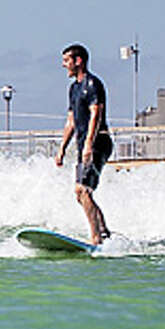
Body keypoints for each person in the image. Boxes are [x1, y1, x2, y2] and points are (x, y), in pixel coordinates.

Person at [54, 43, 113, 244]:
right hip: (84, 145)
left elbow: (96, 114)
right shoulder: (74, 88)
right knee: (80, 195)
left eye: (66, 61)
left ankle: (96, 238)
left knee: (83, 190)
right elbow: (71, 120)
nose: (64, 65)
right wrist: (62, 148)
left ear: (78, 61)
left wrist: (88, 144)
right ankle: (104, 230)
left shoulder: (93, 84)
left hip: (99, 142)